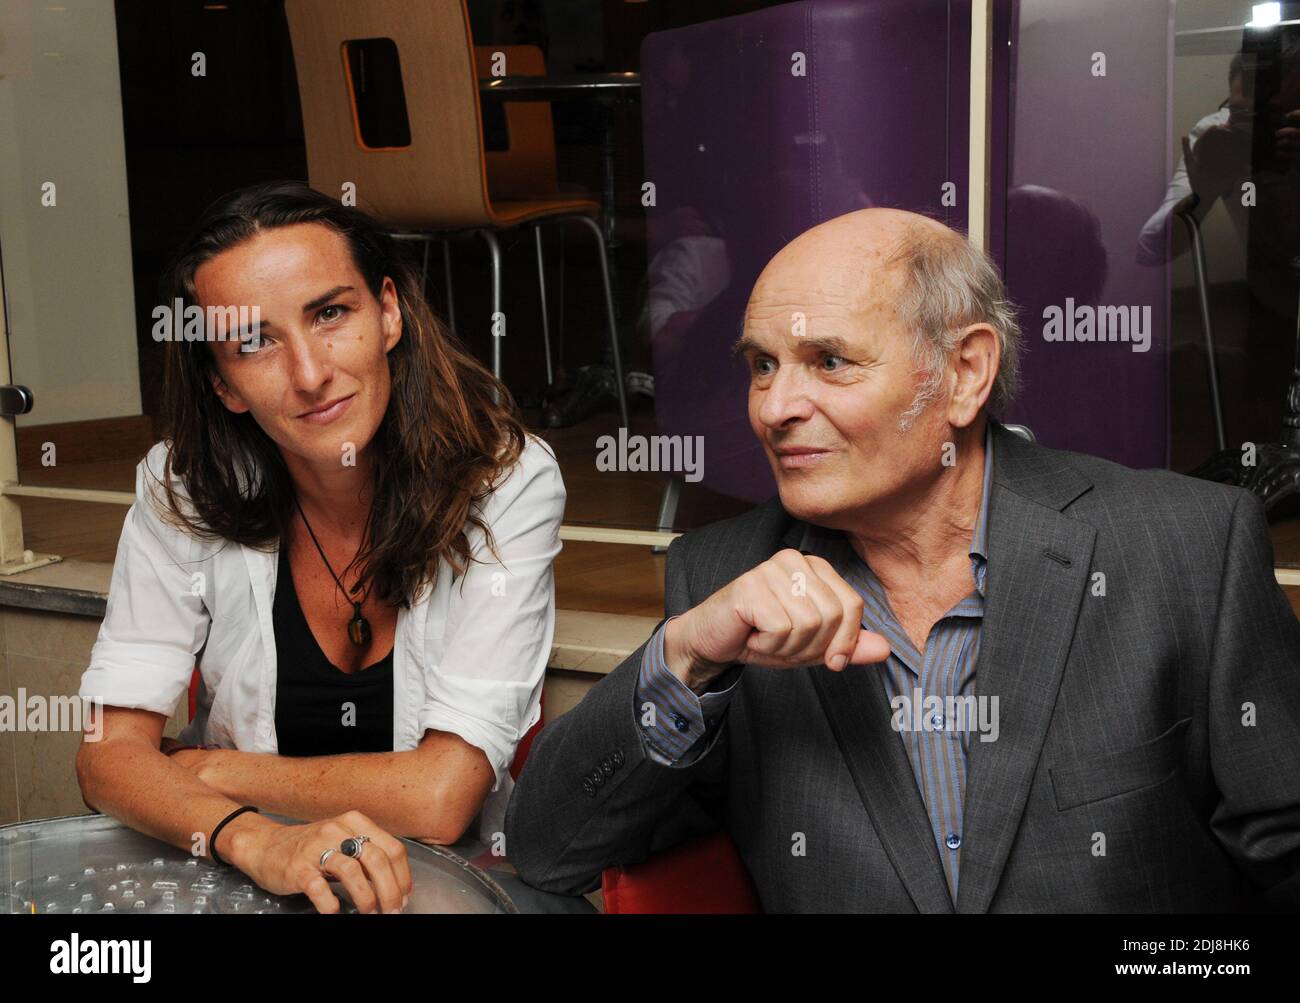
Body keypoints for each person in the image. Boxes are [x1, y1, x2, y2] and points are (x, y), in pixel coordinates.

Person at [505, 207, 1300, 912]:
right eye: (761, 365)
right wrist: (683, 656)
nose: (775, 407)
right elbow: (547, 850)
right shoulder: (724, 580)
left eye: (829, 361)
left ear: (964, 374)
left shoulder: (1183, 547)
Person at [76, 180, 565, 914]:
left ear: (390, 313)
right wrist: (256, 839)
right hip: (244, 877)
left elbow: (439, 797)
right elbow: (105, 756)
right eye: (254, 342)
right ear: (224, 385)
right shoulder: (182, 486)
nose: (310, 375)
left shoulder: (505, 481)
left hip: (442, 882)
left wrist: (213, 769)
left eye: (330, 314)